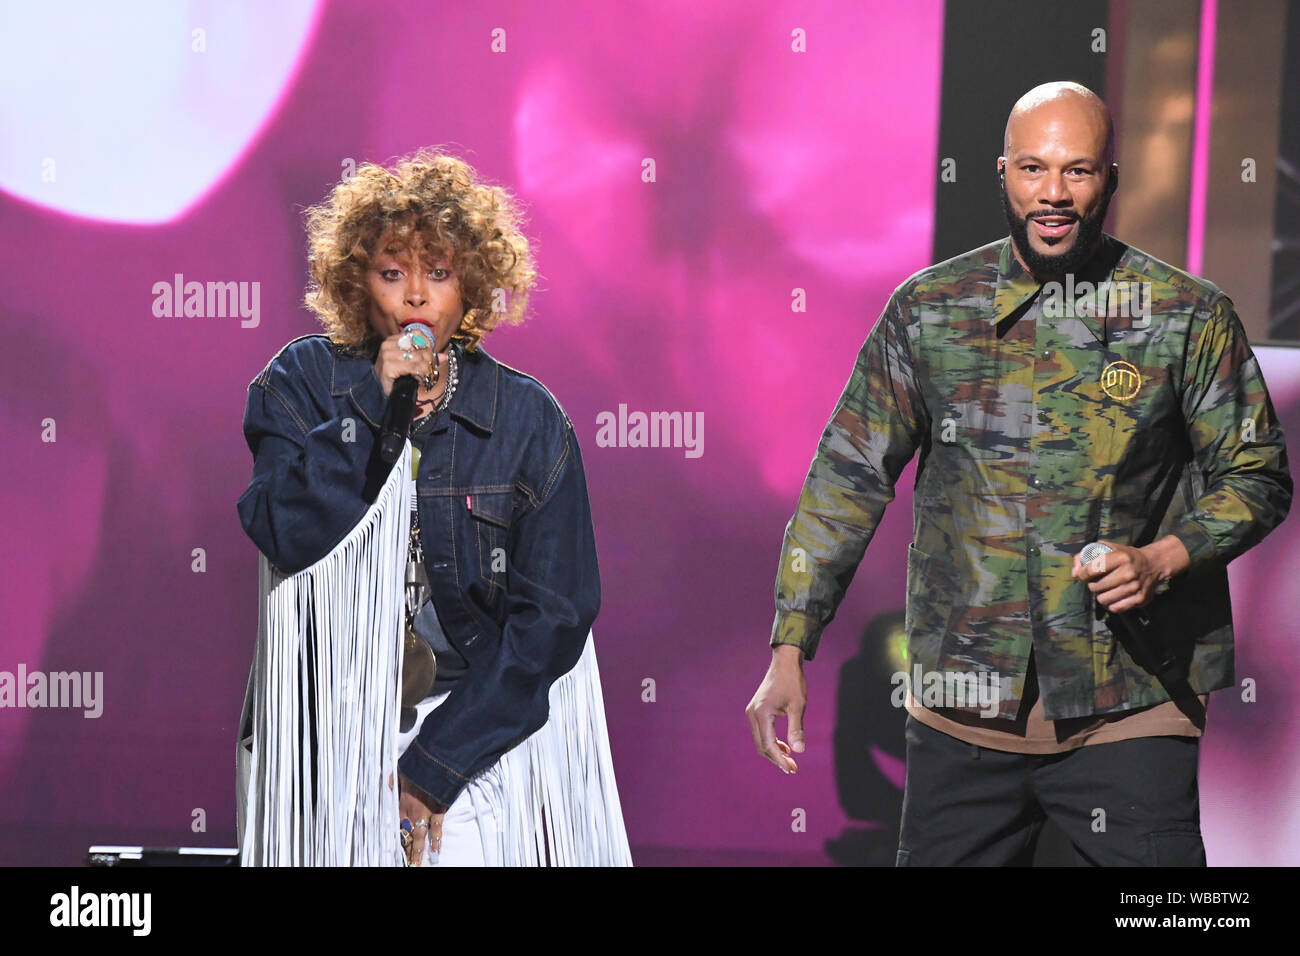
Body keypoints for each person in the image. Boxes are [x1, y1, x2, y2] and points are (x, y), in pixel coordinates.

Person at [746, 82, 1292, 866]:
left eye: (1077, 171)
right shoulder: (929, 311)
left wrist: (1162, 558)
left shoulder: (1186, 316)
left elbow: (1258, 474)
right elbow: (847, 478)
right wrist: (789, 648)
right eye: (1034, 169)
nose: (1054, 194)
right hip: (962, 723)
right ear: (1002, 173)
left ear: (1112, 176)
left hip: (1130, 711)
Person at [236, 147, 630, 866]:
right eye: (393, 274)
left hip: (469, 735)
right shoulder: (300, 383)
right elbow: (285, 531)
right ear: (359, 285)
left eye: (439, 275)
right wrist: (370, 409)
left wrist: (435, 768)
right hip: (329, 740)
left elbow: (557, 617)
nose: (416, 298)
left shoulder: (528, 420)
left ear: (471, 287)